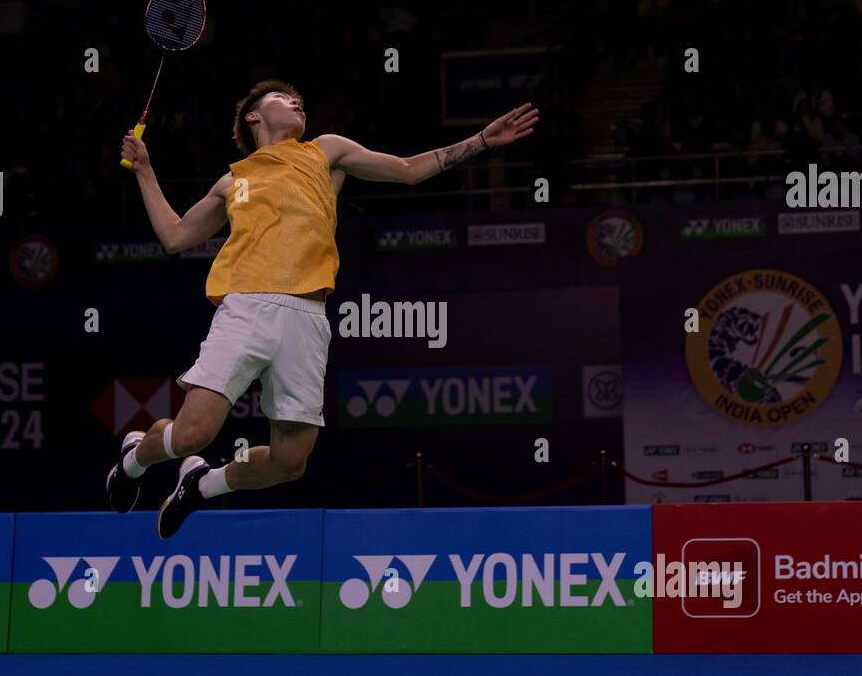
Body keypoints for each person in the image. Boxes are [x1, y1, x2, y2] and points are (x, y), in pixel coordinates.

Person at [106, 79, 539, 537]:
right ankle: (133, 459)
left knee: (289, 462)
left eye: (300, 101)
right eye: (282, 98)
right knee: (192, 434)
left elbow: (408, 169)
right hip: (246, 307)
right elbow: (175, 237)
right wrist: (145, 171)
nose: (296, 102)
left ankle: (201, 484)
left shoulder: (324, 152)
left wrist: (481, 142)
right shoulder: (233, 179)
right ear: (253, 116)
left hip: (308, 318)